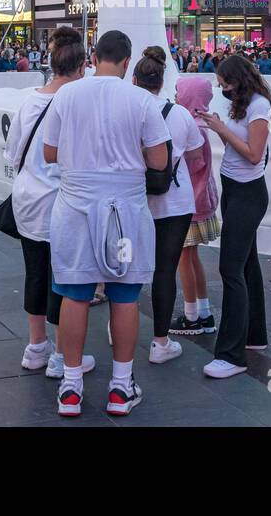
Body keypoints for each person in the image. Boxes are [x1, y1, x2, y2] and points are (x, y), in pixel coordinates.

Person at [41, 30, 171, 417]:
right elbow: (160, 162)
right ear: (128, 62)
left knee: (74, 293)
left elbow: (49, 152)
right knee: (125, 293)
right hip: (125, 211)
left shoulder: (67, 94)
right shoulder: (141, 100)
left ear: (93, 57)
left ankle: (70, 386)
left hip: (75, 208)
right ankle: (120, 386)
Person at [6, 27, 88, 379]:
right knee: (64, 278)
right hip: (63, 201)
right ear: (83, 66)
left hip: (27, 199)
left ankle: (36, 347)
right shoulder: (79, 104)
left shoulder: (29, 101)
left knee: (36, 272)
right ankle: (62, 357)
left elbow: (12, 152)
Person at [194, 55, 271, 378]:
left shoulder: (258, 106)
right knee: (247, 263)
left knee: (231, 268)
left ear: (238, 80)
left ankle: (231, 354)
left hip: (249, 194)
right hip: (234, 189)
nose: (220, 87)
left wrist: (221, 129)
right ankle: (255, 335)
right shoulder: (241, 104)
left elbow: (254, 155)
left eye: (224, 83)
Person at [132, 46, 206, 366]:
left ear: (134, 79)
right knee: (165, 270)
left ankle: (116, 329)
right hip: (174, 202)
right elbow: (195, 156)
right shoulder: (180, 114)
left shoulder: (126, 111)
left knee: (126, 269)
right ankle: (160, 342)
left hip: (132, 199)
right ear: (162, 82)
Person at [167, 77, 220, 336]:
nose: (176, 97)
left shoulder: (192, 127)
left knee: (183, 258)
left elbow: (191, 165)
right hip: (202, 201)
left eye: (179, 93)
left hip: (191, 202)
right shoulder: (201, 123)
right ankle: (204, 311)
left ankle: (191, 316)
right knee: (192, 257)